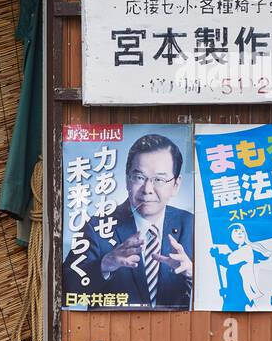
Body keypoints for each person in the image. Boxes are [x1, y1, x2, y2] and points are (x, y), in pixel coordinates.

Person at [78, 132, 194, 309]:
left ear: (176, 185)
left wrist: (191, 272)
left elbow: (222, 289)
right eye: (139, 177)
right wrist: (105, 264)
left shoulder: (190, 225)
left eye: (159, 180)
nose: (147, 189)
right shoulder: (96, 227)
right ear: (127, 179)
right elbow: (67, 286)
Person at [210, 221, 272, 311]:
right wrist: (227, 290)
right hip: (235, 298)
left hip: (243, 299)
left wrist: (217, 255)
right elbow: (236, 280)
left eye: (242, 231)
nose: (240, 232)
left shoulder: (246, 250)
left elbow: (227, 260)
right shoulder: (236, 254)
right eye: (236, 231)